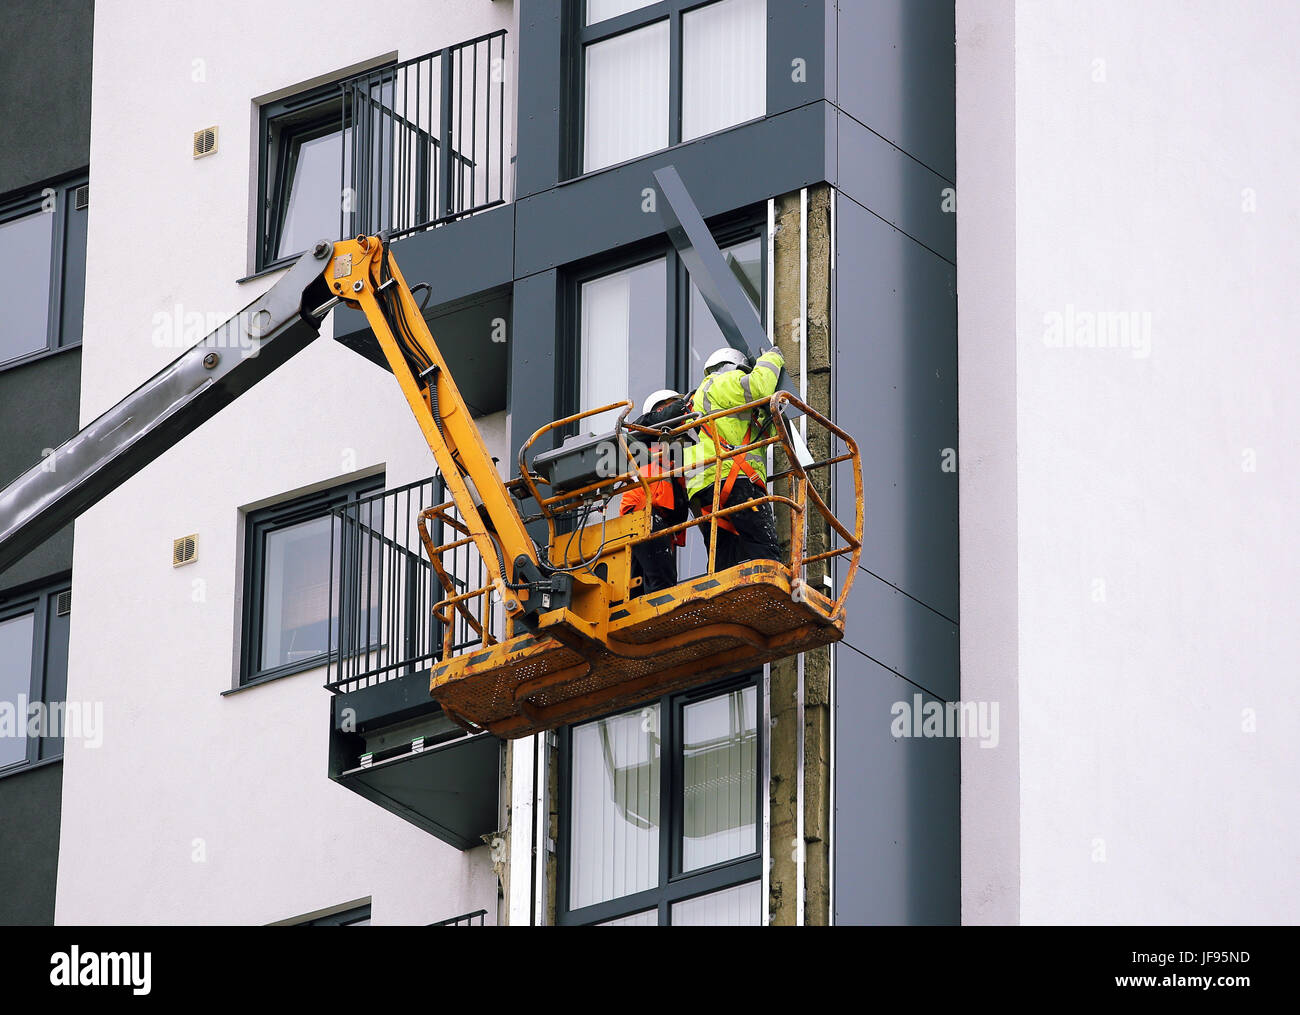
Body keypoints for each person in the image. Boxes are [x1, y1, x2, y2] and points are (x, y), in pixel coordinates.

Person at [684, 345, 785, 570]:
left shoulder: (696, 404)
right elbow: (758, 386)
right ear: (734, 368)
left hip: (705, 489)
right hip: (733, 478)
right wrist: (772, 357)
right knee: (764, 549)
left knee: (723, 561)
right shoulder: (720, 383)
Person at [619, 389, 691, 596]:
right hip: (644, 514)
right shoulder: (641, 434)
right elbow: (662, 419)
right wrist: (683, 404)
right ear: (660, 409)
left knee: (638, 588)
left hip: (654, 520)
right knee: (662, 586)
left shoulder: (674, 451)